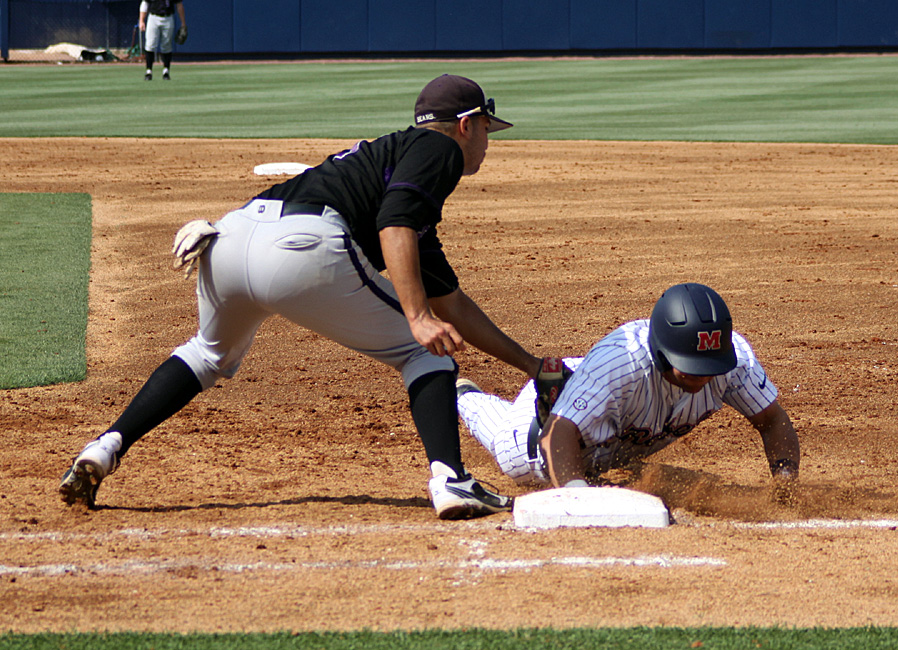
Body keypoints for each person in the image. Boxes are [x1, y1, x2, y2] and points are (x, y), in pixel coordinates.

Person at [59, 74, 564, 520]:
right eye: (486, 131)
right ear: (466, 124)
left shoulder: (390, 172)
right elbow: (396, 224)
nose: (485, 144)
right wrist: (416, 317)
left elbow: (449, 301)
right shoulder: (438, 150)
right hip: (302, 245)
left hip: (230, 238)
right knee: (423, 350)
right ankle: (452, 481)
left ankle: (106, 446)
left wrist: (529, 364)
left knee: (206, 353)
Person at [456, 283, 800, 497]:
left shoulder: (732, 361)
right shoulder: (623, 361)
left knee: (634, 476)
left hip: (606, 428)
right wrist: (580, 500)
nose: (702, 377)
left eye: (708, 366)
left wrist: (786, 485)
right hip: (543, 431)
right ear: (661, 351)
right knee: (509, 448)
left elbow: (772, 421)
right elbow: (555, 436)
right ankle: (462, 397)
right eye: (692, 367)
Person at [139, 0, 186, 81]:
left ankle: (166, 71)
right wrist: (141, 20)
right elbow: (145, 3)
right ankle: (148, 71)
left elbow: (179, 5)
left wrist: (183, 23)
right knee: (150, 44)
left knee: (166, 45)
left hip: (168, 17)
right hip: (153, 17)